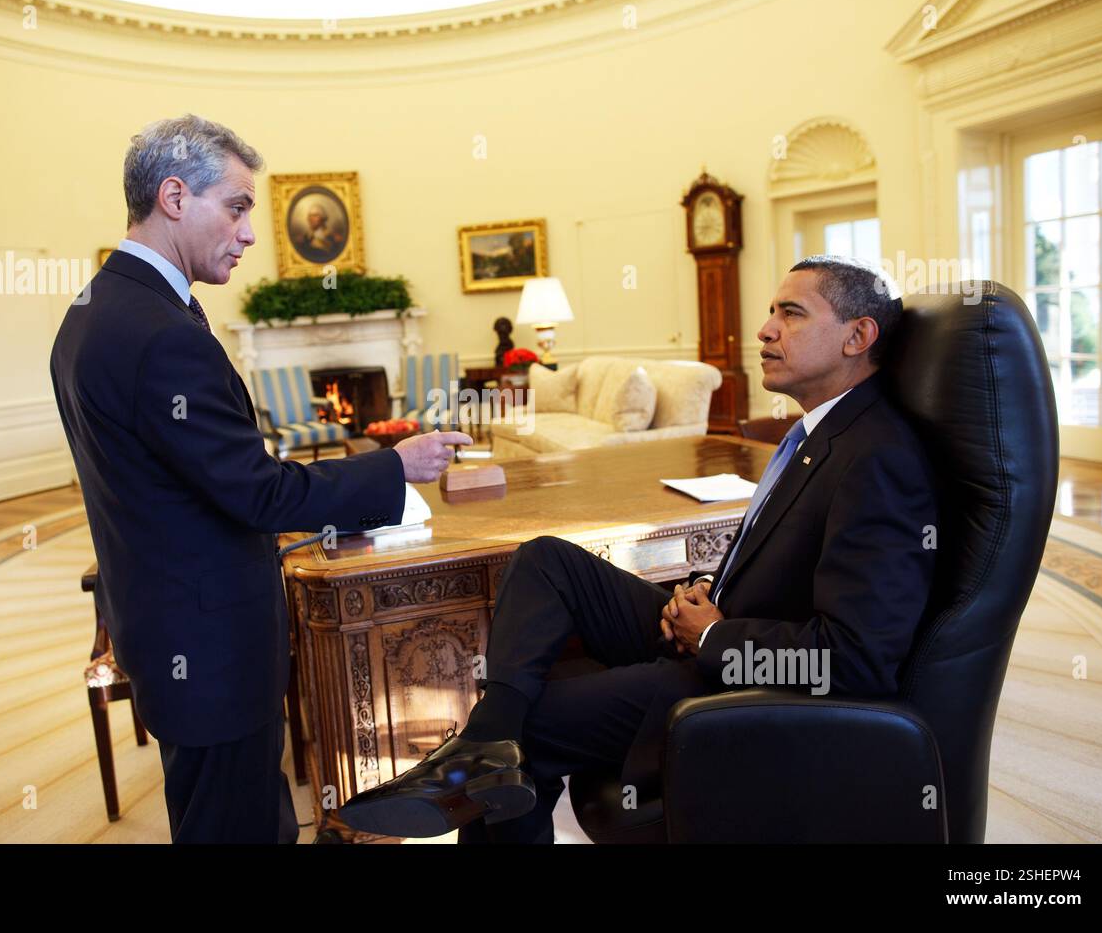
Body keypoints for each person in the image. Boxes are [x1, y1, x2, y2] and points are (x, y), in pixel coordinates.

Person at [337, 255, 938, 842]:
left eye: (792, 313)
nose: (765, 329)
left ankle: (486, 754)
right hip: (721, 630)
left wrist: (711, 636)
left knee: (535, 723)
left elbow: (857, 658)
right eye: (771, 311)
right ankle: (486, 740)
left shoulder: (879, 458)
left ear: (858, 336)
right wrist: (707, 593)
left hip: (747, 684)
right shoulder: (819, 432)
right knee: (547, 559)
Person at [50, 114, 469, 843]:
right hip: (209, 646)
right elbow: (258, 492)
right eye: (238, 207)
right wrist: (394, 467)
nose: (249, 233)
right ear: (175, 197)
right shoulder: (159, 333)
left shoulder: (94, 309)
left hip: (165, 627)